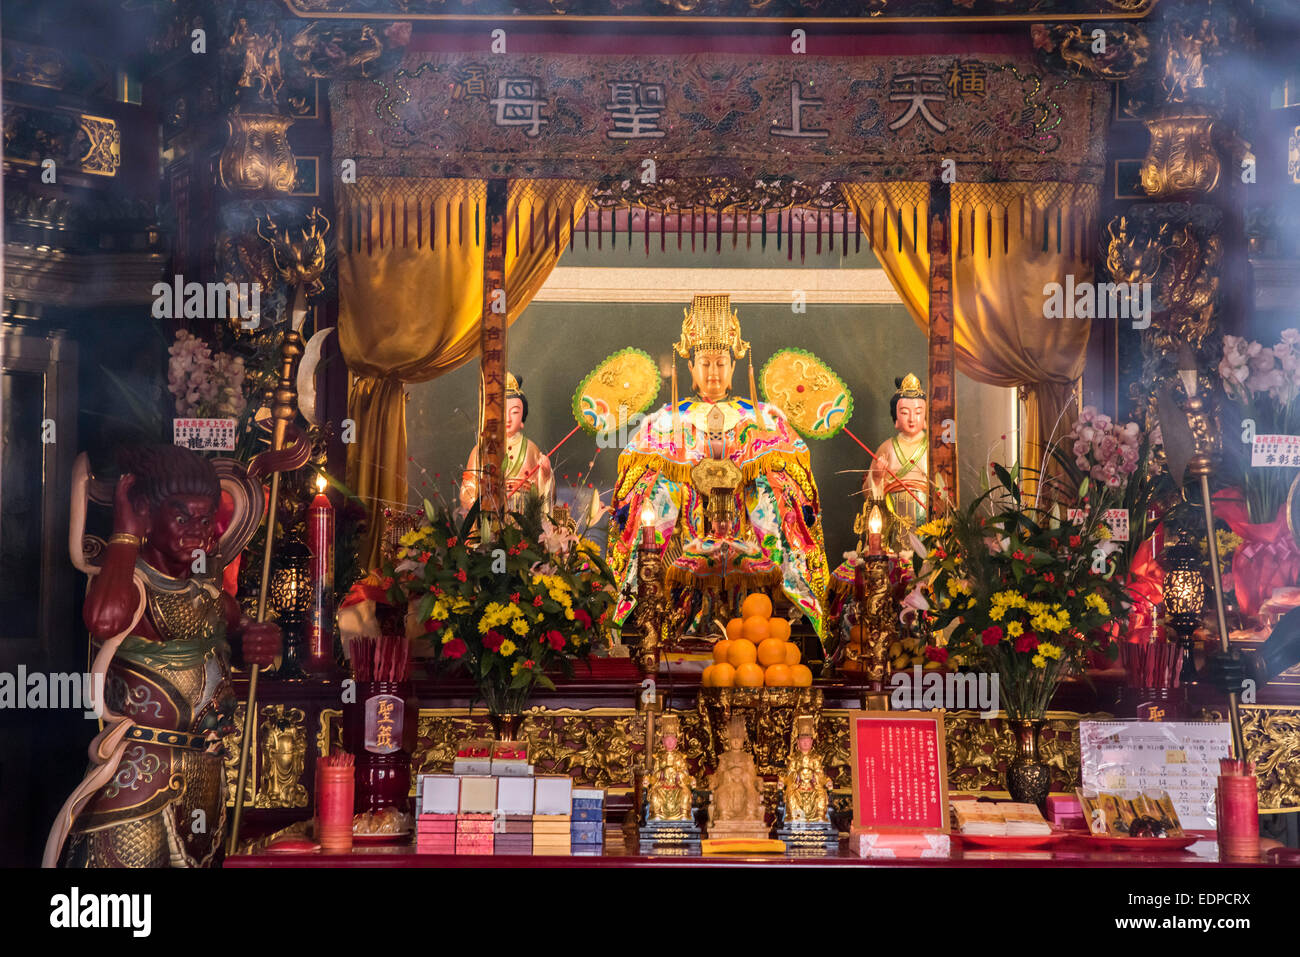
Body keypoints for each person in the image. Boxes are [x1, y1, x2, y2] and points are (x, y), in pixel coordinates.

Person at [45, 445, 279, 867]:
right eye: (181, 516)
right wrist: (124, 533)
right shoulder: (132, 583)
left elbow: (234, 642)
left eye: (205, 519)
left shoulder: (209, 593)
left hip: (204, 773)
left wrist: (257, 642)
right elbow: (104, 619)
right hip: (141, 773)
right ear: (147, 514)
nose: (196, 531)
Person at [607, 294, 829, 637]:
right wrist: (672, 487)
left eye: (721, 362)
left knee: (775, 498)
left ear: (735, 367)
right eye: (705, 363)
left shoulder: (762, 416)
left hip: (744, 537)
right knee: (656, 492)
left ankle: (774, 606)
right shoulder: (666, 420)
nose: (713, 372)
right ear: (691, 368)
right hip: (685, 535)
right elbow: (636, 485)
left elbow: (793, 481)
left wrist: (758, 482)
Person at [459, 372, 554, 514]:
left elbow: (542, 490)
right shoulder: (481, 449)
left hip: (522, 514)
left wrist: (546, 475)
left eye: (515, 412)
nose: (508, 418)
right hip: (490, 515)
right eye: (503, 411)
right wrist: (477, 502)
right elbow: (469, 485)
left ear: (523, 418)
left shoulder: (531, 449)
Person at [864, 373, 930, 555]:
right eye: (904, 412)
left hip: (926, 516)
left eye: (918, 413)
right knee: (897, 557)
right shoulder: (887, 448)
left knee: (926, 556)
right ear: (895, 418)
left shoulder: (933, 448)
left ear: (925, 417)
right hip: (895, 518)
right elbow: (868, 493)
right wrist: (876, 477)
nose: (911, 419)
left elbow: (946, 486)